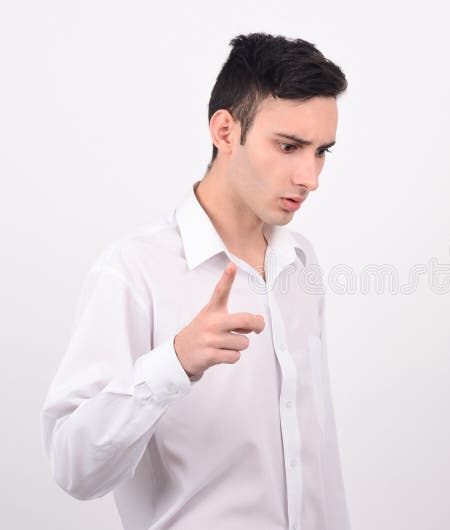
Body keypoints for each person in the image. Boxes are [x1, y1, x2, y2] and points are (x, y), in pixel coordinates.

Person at [41, 33, 350, 530]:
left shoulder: (300, 260)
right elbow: (73, 468)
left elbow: (316, 456)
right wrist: (173, 364)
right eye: (289, 146)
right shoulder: (133, 269)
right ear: (226, 131)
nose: (310, 178)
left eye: (321, 152)